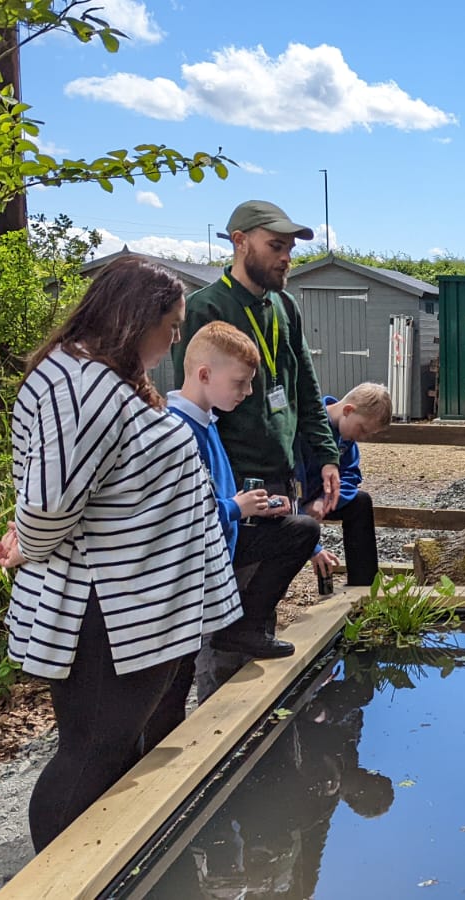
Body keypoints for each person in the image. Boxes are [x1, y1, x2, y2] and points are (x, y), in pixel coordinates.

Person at [0, 256, 241, 852]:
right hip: (111, 611)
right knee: (91, 755)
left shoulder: (97, 376)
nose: (177, 337)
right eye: (173, 323)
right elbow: (51, 500)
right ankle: (57, 883)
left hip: (133, 605)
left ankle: (101, 869)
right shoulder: (85, 387)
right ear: (136, 318)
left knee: (107, 750)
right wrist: (28, 539)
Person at [174, 200, 342, 658]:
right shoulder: (205, 307)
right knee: (226, 605)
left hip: (282, 473)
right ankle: (217, 715)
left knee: (259, 618)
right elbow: (193, 402)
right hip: (235, 478)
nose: (286, 257)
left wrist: (326, 456)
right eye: (276, 246)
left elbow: (307, 387)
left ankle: (263, 715)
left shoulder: (285, 305)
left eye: (289, 247)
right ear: (240, 241)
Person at [166, 321, 312, 664]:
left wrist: (255, 507)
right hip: (193, 564)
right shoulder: (178, 430)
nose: (246, 392)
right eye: (239, 383)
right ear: (204, 375)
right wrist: (235, 507)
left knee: (301, 530)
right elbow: (184, 514)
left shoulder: (208, 422)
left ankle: (243, 626)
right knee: (177, 675)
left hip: (224, 541)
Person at [297, 382, 392, 589]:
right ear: (348, 410)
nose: (363, 438)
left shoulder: (346, 439)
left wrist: (325, 500)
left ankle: (364, 585)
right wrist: (303, 510)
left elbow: (350, 476)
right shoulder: (304, 426)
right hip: (290, 501)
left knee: (360, 502)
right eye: (363, 429)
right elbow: (288, 478)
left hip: (320, 499)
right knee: (300, 526)